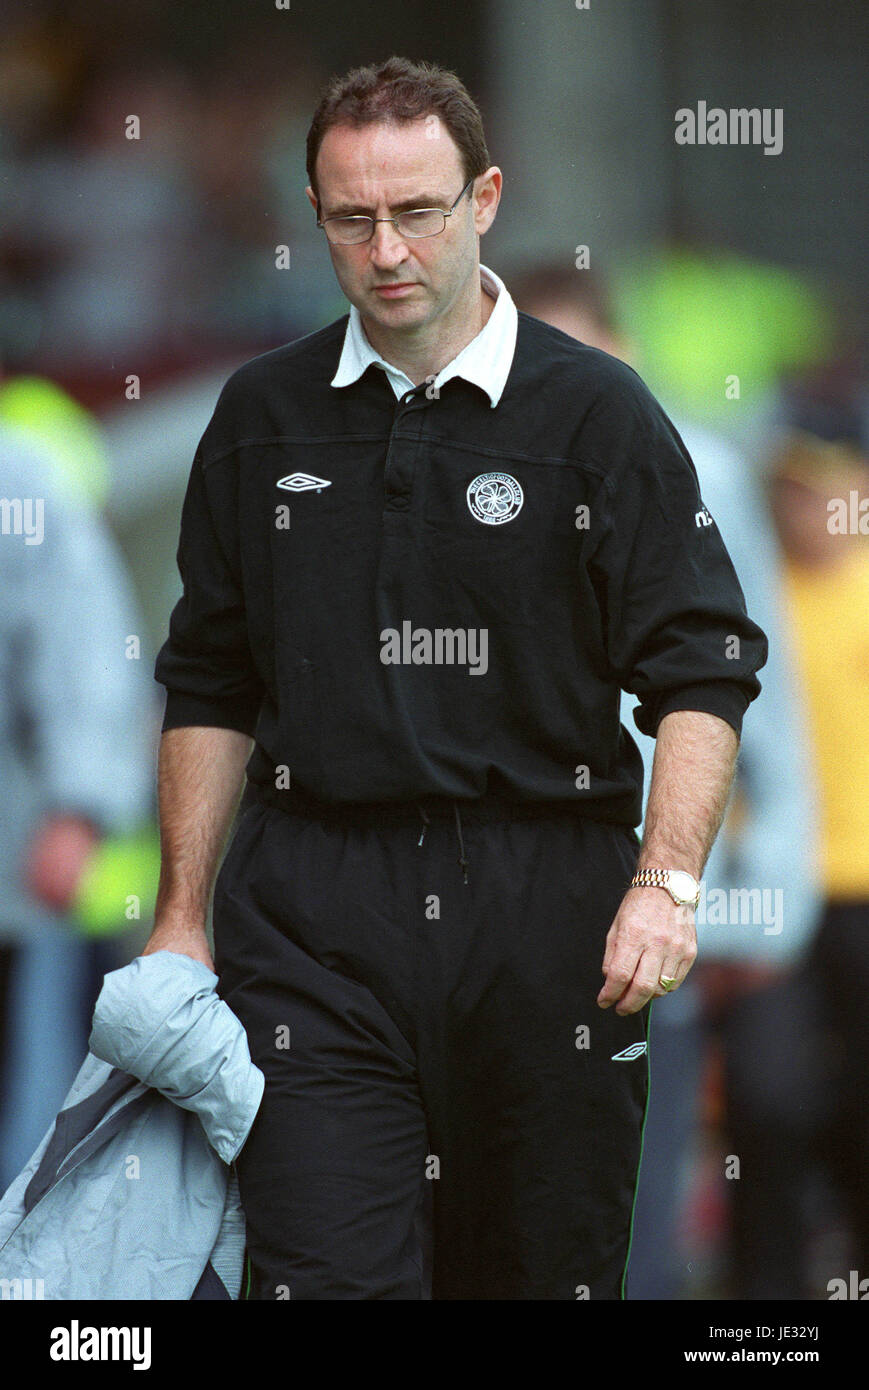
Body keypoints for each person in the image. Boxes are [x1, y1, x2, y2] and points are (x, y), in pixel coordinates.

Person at [148, 55, 768, 1301]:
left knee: (537, 1273)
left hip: (553, 916)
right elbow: (209, 681)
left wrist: (666, 884)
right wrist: (179, 917)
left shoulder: (598, 415)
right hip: (314, 922)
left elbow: (699, 668)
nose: (387, 248)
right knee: (323, 1274)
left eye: (417, 210)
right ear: (314, 217)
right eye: (352, 217)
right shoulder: (259, 418)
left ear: (484, 196)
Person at [506, 261, 823, 1297]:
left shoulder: (699, 472)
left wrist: (752, 912)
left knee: (636, 1211)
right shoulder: (488, 479)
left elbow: (758, 712)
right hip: (507, 921)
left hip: (649, 921)